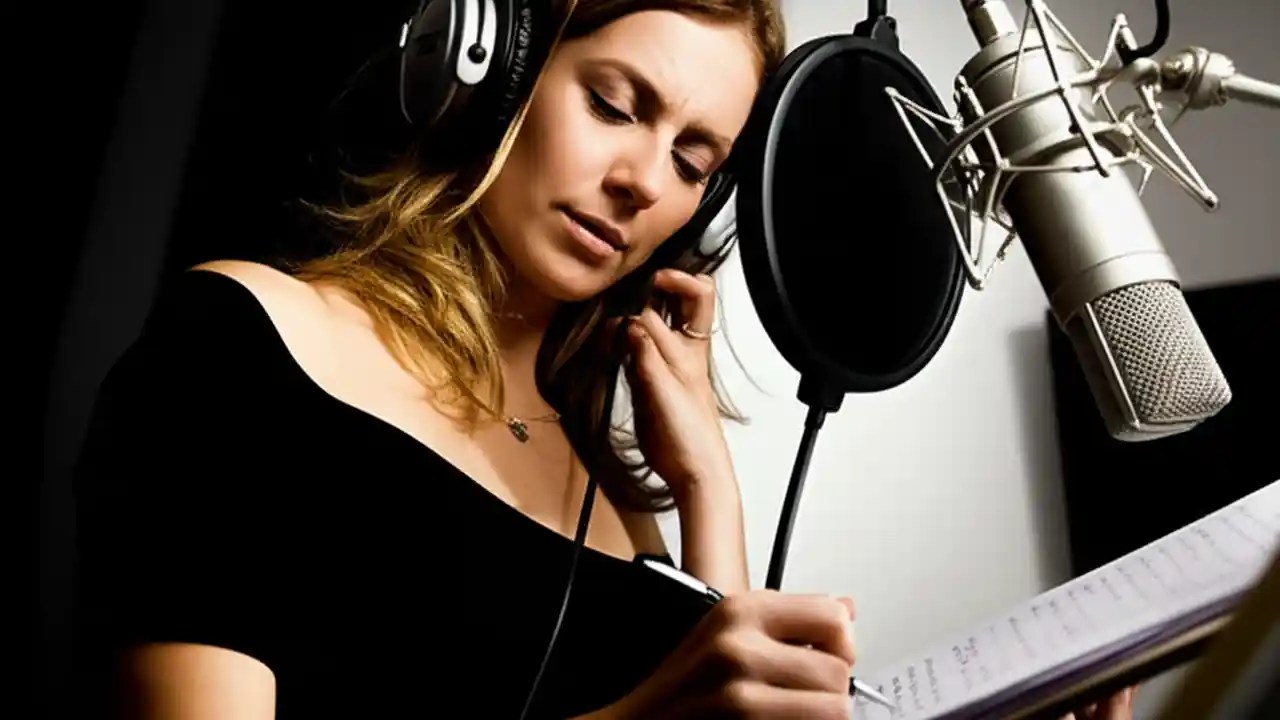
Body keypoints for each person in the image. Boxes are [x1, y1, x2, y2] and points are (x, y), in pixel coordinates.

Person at [68, 1, 1138, 718]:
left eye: (690, 159)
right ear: (494, 77)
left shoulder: (620, 495)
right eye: (616, 106)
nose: (641, 182)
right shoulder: (244, 344)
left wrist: (705, 489)